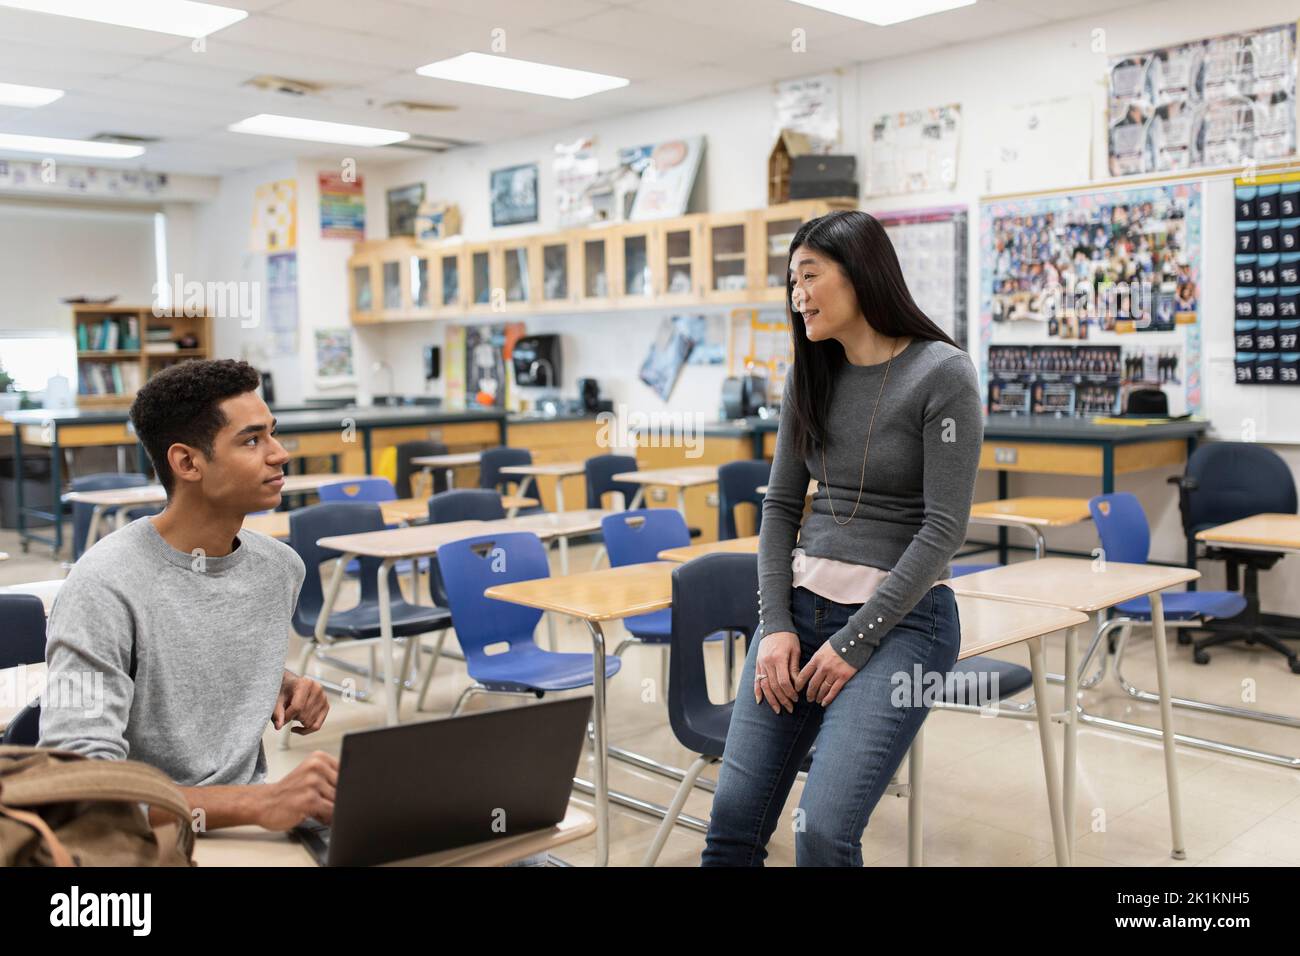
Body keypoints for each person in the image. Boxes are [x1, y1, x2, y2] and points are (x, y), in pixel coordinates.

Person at [701, 211, 983, 866]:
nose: (796, 293)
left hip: (903, 626)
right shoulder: (812, 374)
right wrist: (774, 626)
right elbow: (778, 511)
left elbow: (944, 530)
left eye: (809, 275)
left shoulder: (943, 374)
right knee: (731, 826)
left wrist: (854, 643)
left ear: (860, 273)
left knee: (822, 832)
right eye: (790, 280)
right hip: (799, 614)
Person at [40, 359, 338, 831]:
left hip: (249, 831)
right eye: (252, 440)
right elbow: (80, 790)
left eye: (273, 434)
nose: (280, 454)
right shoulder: (103, 586)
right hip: (142, 840)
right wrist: (257, 805)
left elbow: (194, 641)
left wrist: (278, 679)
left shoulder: (279, 568)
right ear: (187, 462)